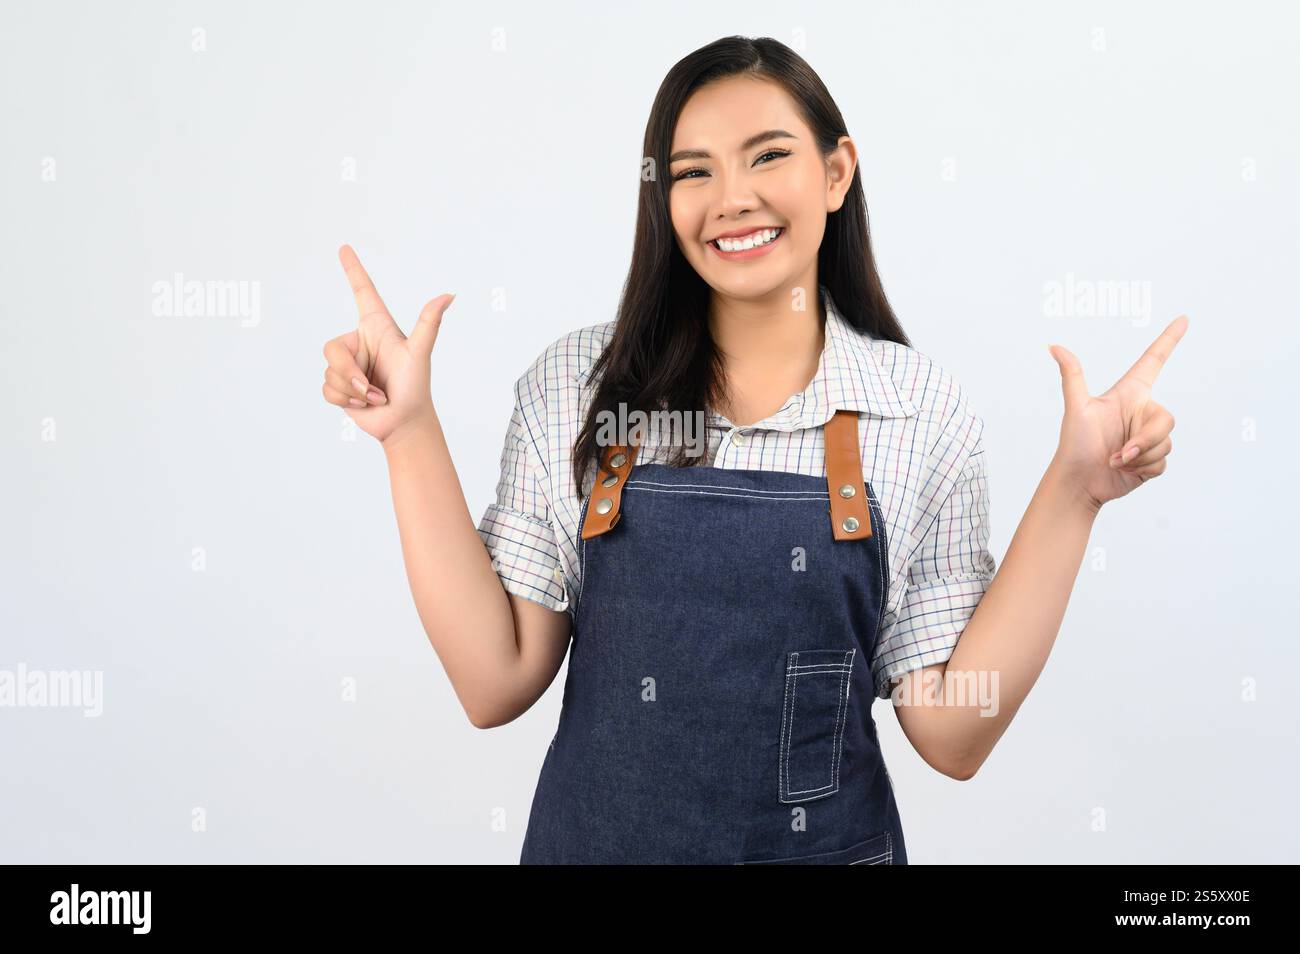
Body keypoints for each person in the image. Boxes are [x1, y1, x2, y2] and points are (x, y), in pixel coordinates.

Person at [319, 35, 1186, 865]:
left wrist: (1076, 493)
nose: (731, 198)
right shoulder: (581, 388)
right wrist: (408, 433)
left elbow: (953, 733)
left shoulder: (919, 409)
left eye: (768, 156)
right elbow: (493, 679)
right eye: (694, 171)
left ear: (837, 172)